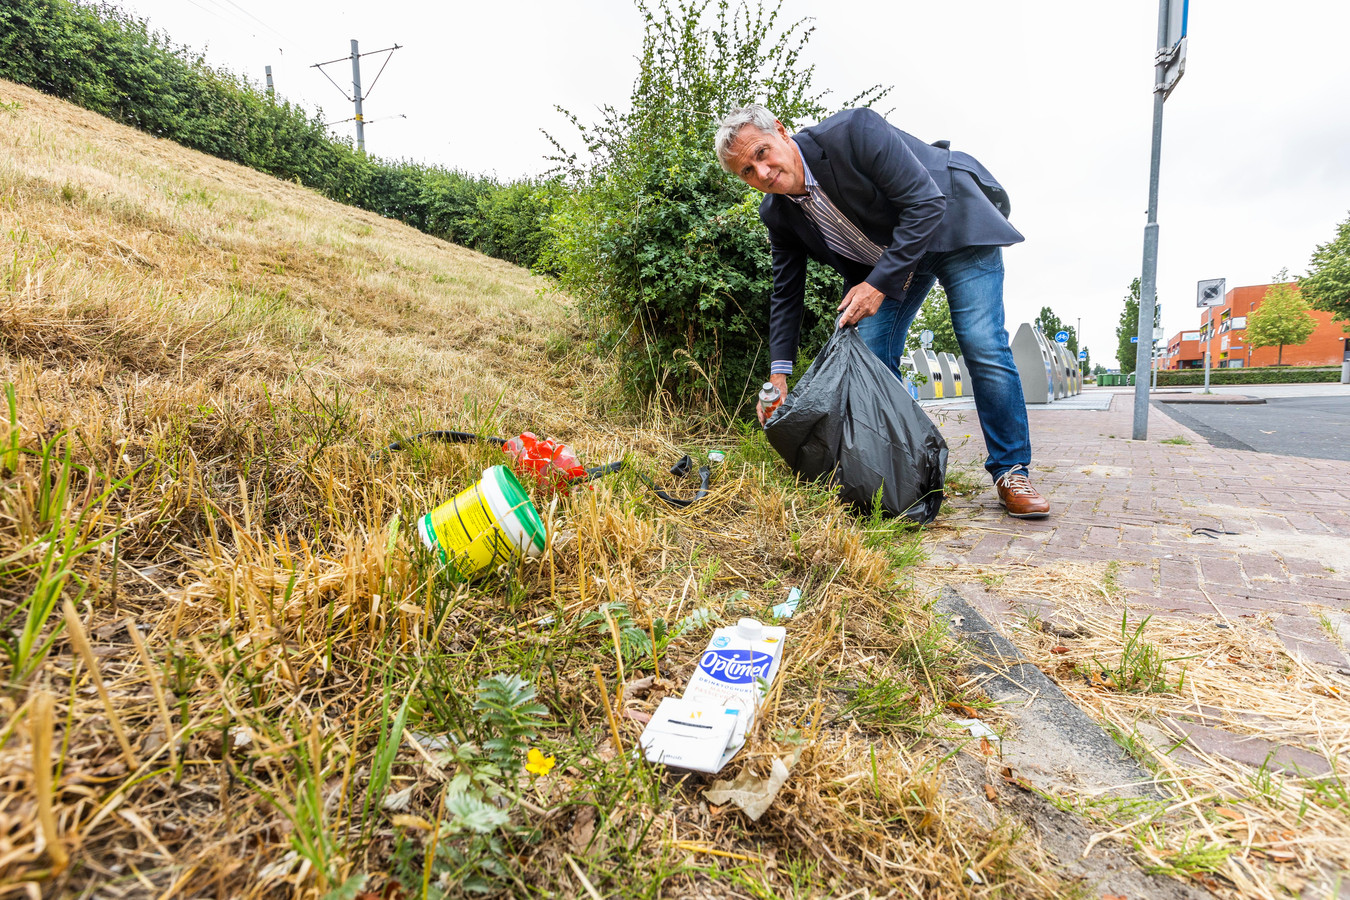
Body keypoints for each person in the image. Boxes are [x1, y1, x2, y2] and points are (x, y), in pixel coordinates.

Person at [714, 104, 1050, 518]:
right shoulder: (777, 213)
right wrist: (778, 376)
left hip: (953, 225)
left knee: (981, 342)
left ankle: (1011, 471)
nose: (762, 173)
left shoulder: (853, 132)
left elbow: (927, 203)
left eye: (762, 153)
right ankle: (900, 475)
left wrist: (875, 286)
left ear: (781, 133)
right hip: (891, 263)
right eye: (747, 171)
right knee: (869, 355)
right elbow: (787, 294)